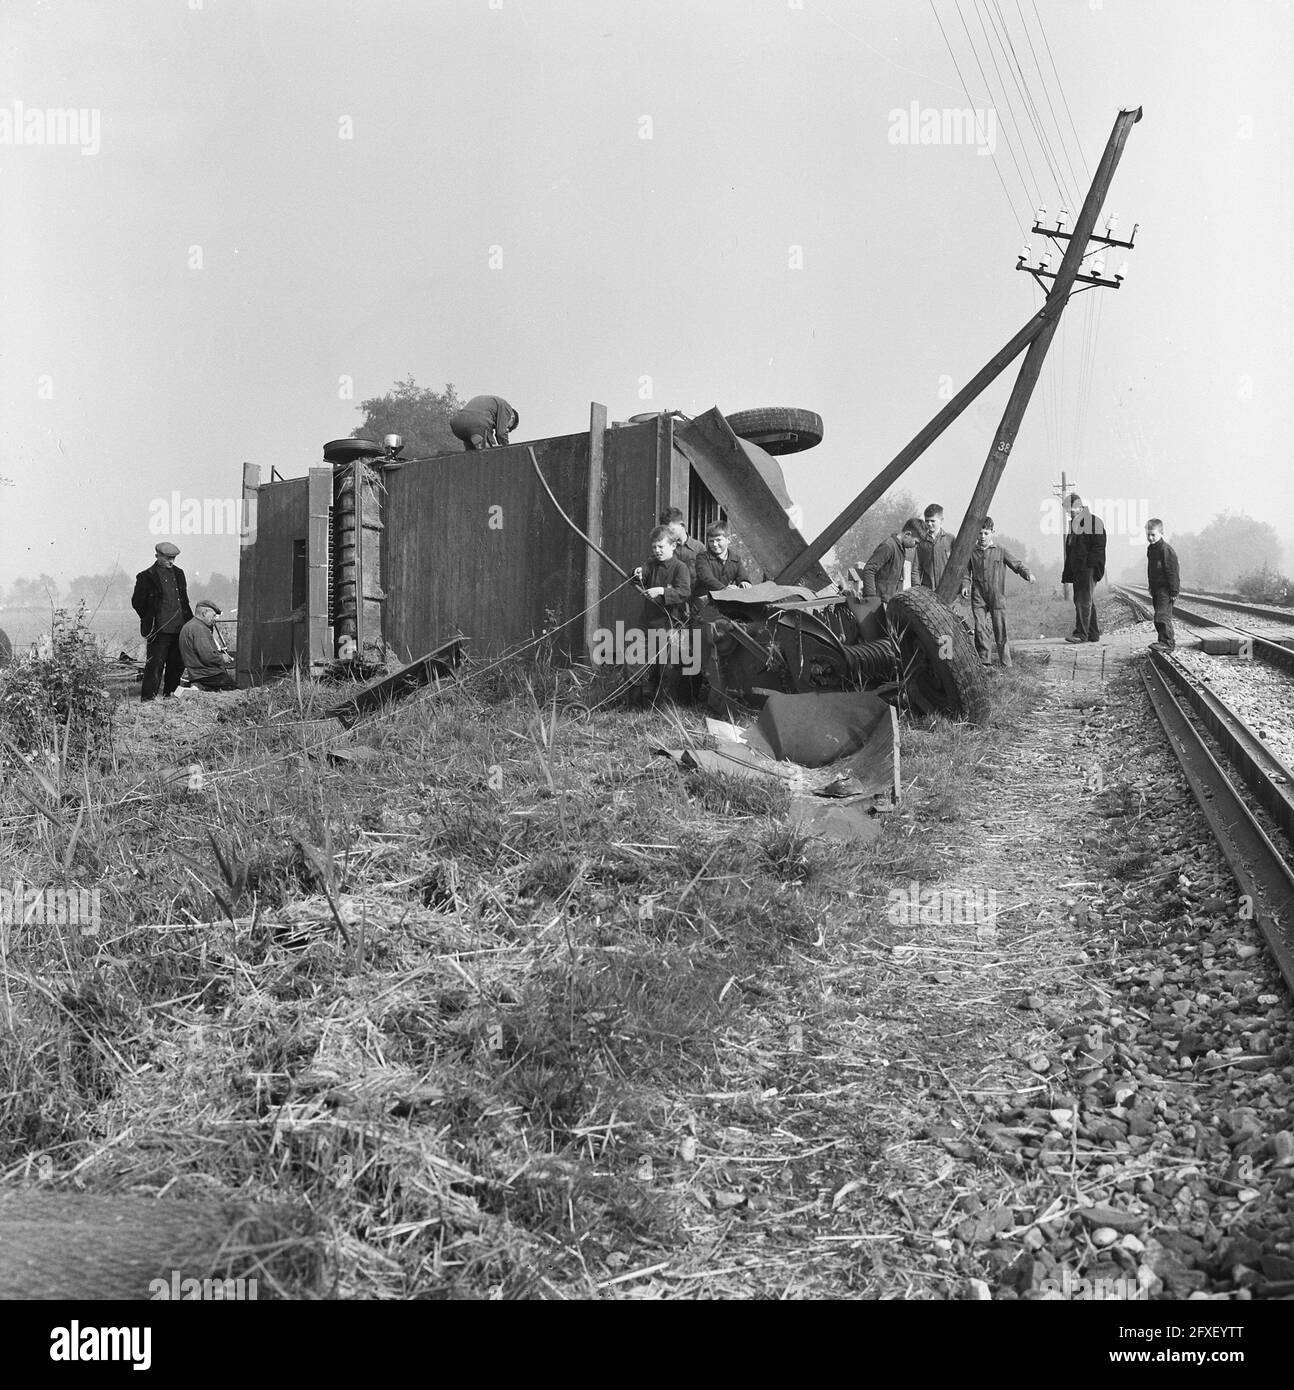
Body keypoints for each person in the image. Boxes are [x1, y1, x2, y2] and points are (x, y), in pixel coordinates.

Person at [631, 525, 692, 703]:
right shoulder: (650, 564)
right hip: (647, 625)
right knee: (633, 662)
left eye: (661, 547)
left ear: (673, 546)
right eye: (654, 547)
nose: (657, 551)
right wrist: (637, 573)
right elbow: (640, 574)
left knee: (668, 667)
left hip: (670, 624)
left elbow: (684, 592)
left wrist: (662, 591)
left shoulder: (680, 568)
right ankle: (634, 707)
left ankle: (664, 707)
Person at [131, 542, 193, 701]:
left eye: (173, 558)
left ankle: (170, 697)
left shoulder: (179, 573)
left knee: (177, 664)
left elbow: (184, 601)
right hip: (158, 631)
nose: (171, 562)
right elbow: (137, 602)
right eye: (168, 558)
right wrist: (150, 618)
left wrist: (189, 623)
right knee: (155, 666)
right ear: (157, 556)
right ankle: (148, 700)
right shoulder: (146, 576)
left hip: (179, 629)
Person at [968, 517, 1034, 668]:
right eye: (979, 533)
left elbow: (1017, 564)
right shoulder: (972, 552)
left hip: (997, 596)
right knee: (980, 627)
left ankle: (1006, 662)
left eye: (985, 533)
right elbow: (966, 573)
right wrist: (965, 586)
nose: (982, 537)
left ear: (992, 532)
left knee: (1000, 628)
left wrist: (1028, 574)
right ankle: (984, 661)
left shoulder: (1000, 550)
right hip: (978, 595)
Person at [1062, 492, 1107, 644]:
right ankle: (1093, 634)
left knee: (1082, 601)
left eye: (1071, 509)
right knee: (1086, 600)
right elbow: (1071, 549)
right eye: (1068, 509)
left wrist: (1089, 565)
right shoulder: (1076, 523)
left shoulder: (1093, 522)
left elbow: (1099, 546)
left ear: (1080, 507)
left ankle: (1081, 634)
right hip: (1079, 569)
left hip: (1087, 569)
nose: (1069, 512)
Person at [860, 518, 925, 599]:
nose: (915, 546)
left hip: (887, 601)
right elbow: (869, 570)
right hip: (877, 601)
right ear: (908, 534)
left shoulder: (901, 549)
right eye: (916, 542)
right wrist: (871, 597)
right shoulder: (888, 546)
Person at [915, 503, 969, 600]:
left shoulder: (950, 539)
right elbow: (916, 568)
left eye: (933, 521)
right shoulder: (921, 542)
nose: (929, 524)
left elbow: (961, 564)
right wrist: (916, 589)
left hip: (949, 591)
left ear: (941, 521)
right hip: (927, 592)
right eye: (927, 521)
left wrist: (965, 584)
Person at [179, 602, 238, 690]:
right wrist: (222, 658)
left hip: (197, 673)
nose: (214, 619)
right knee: (236, 694)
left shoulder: (190, 626)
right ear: (204, 613)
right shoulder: (199, 629)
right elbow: (207, 656)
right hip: (208, 674)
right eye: (213, 615)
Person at [693, 521, 753, 604]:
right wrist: (724, 589)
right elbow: (706, 578)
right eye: (711, 541)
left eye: (718, 540)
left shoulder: (736, 559)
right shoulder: (702, 558)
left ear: (728, 539)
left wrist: (744, 582)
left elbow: (742, 576)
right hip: (705, 603)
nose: (714, 544)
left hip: (725, 603)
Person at [1146, 518, 1180, 652]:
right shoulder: (1151, 549)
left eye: (1153, 535)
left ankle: (1168, 643)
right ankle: (1162, 640)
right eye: (1148, 534)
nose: (1150, 537)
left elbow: (1173, 572)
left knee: (1162, 615)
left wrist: (1174, 591)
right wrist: (1150, 585)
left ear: (1161, 533)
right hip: (1156, 588)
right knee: (1158, 615)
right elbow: (1151, 569)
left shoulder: (1166, 550)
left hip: (1166, 588)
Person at [449, 395, 518, 451]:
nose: (506, 428)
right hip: (478, 423)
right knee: (493, 452)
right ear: (512, 418)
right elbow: (501, 433)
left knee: (472, 453)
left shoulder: (490, 401)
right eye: (508, 427)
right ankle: (484, 443)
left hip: (457, 424)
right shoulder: (507, 408)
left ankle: (477, 441)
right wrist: (508, 450)